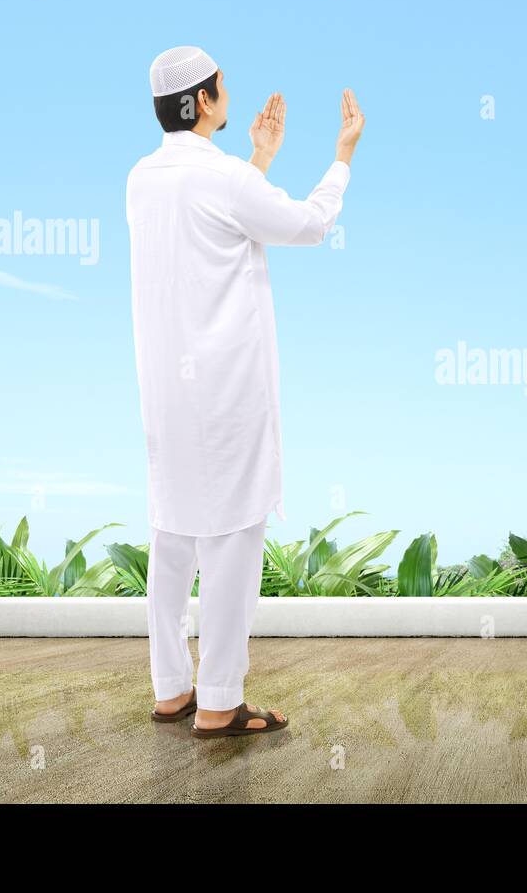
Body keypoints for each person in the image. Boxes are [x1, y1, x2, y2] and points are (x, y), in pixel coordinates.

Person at [126, 46, 364, 738]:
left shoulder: (142, 180)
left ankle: (173, 688)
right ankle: (221, 702)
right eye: (222, 86)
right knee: (232, 540)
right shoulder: (224, 179)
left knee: (172, 536)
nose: (231, 93)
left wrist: (257, 158)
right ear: (202, 102)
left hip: (166, 394)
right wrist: (343, 154)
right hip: (226, 393)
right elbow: (307, 224)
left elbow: (215, 227)